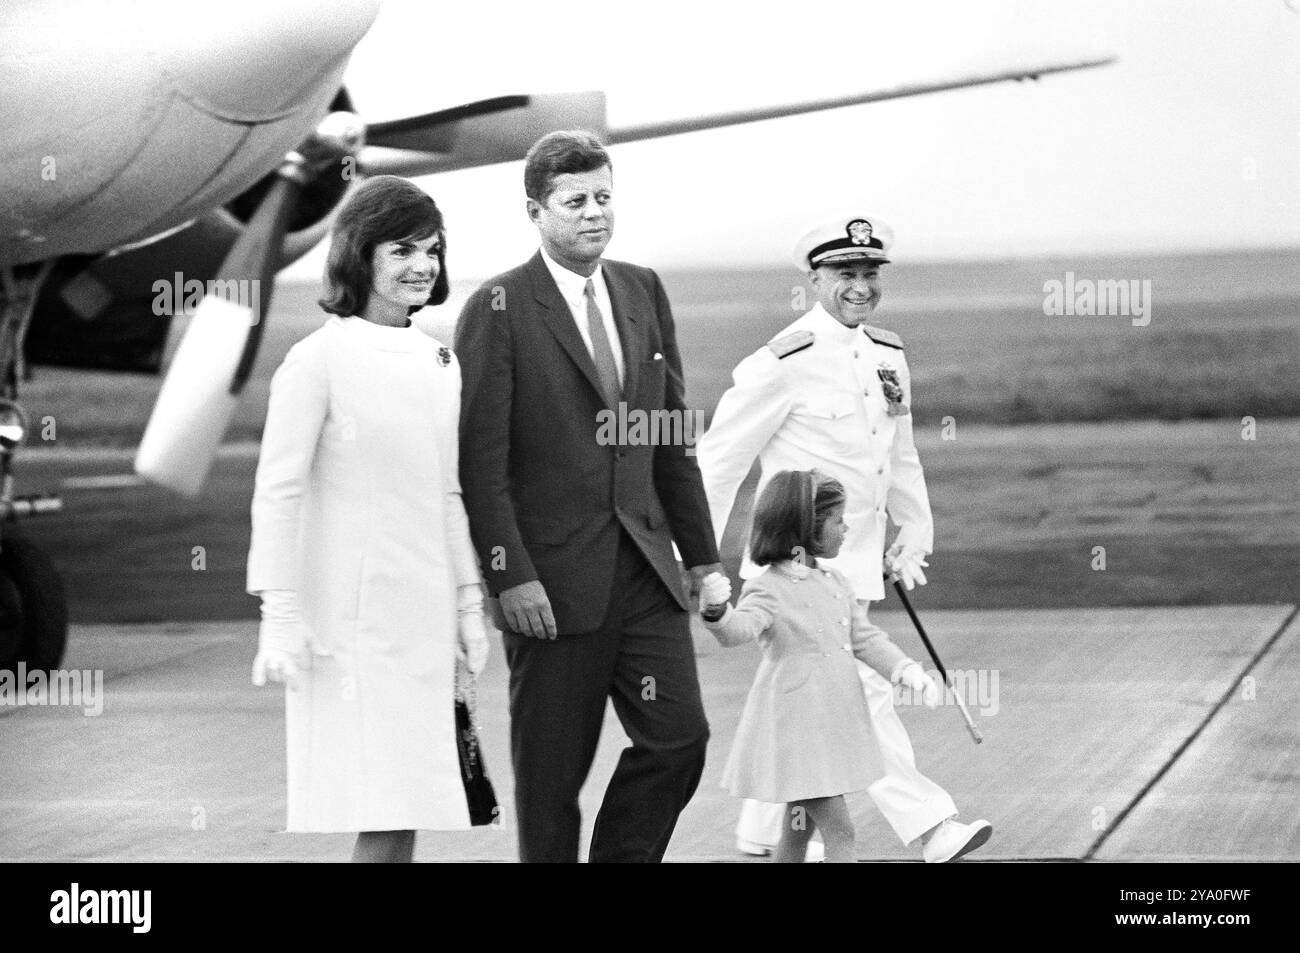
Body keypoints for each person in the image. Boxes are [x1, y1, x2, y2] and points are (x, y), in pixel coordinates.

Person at [455, 130, 721, 863]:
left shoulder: (642, 289)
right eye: (575, 202)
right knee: (550, 780)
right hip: (549, 585)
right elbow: (482, 465)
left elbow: (669, 435)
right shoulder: (499, 306)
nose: (594, 214)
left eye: (604, 197)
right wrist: (509, 576)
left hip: (645, 571)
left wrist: (701, 557)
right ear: (536, 210)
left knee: (680, 739)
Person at [696, 214, 992, 863]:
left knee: (801, 697)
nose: (859, 286)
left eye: (868, 274)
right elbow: (718, 461)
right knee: (865, 697)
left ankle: (759, 827)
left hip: (851, 564)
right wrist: (695, 563)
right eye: (844, 274)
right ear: (815, 279)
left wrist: (915, 531)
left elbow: (900, 454)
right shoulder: (782, 361)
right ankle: (933, 827)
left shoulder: (887, 353)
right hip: (793, 567)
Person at [246, 175, 490, 863]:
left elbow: (446, 492)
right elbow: (278, 492)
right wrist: (280, 610)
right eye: (402, 249)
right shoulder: (316, 360)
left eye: (433, 250)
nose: (422, 266)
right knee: (383, 806)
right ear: (361, 255)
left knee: (412, 802)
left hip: (425, 618)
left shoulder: (438, 359)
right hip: (351, 628)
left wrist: (469, 603)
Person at [699, 470, 940, 862]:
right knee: (841, 831)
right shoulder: (769, 588)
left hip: (829, 727)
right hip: (798, 731)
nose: (845, 529)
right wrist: (715, 610)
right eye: (837, 520)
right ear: (805, 527)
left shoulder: (835, 582)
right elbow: (736, 631)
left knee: (796, 830)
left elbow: (864, 639)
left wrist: (905, 670)